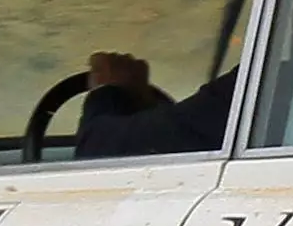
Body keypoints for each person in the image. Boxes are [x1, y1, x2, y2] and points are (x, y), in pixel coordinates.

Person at [71, 49, 233, 158]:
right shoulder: (250, 92)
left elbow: (94, 148)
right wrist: (140, 95)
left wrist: (110, 89)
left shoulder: (249, 88)